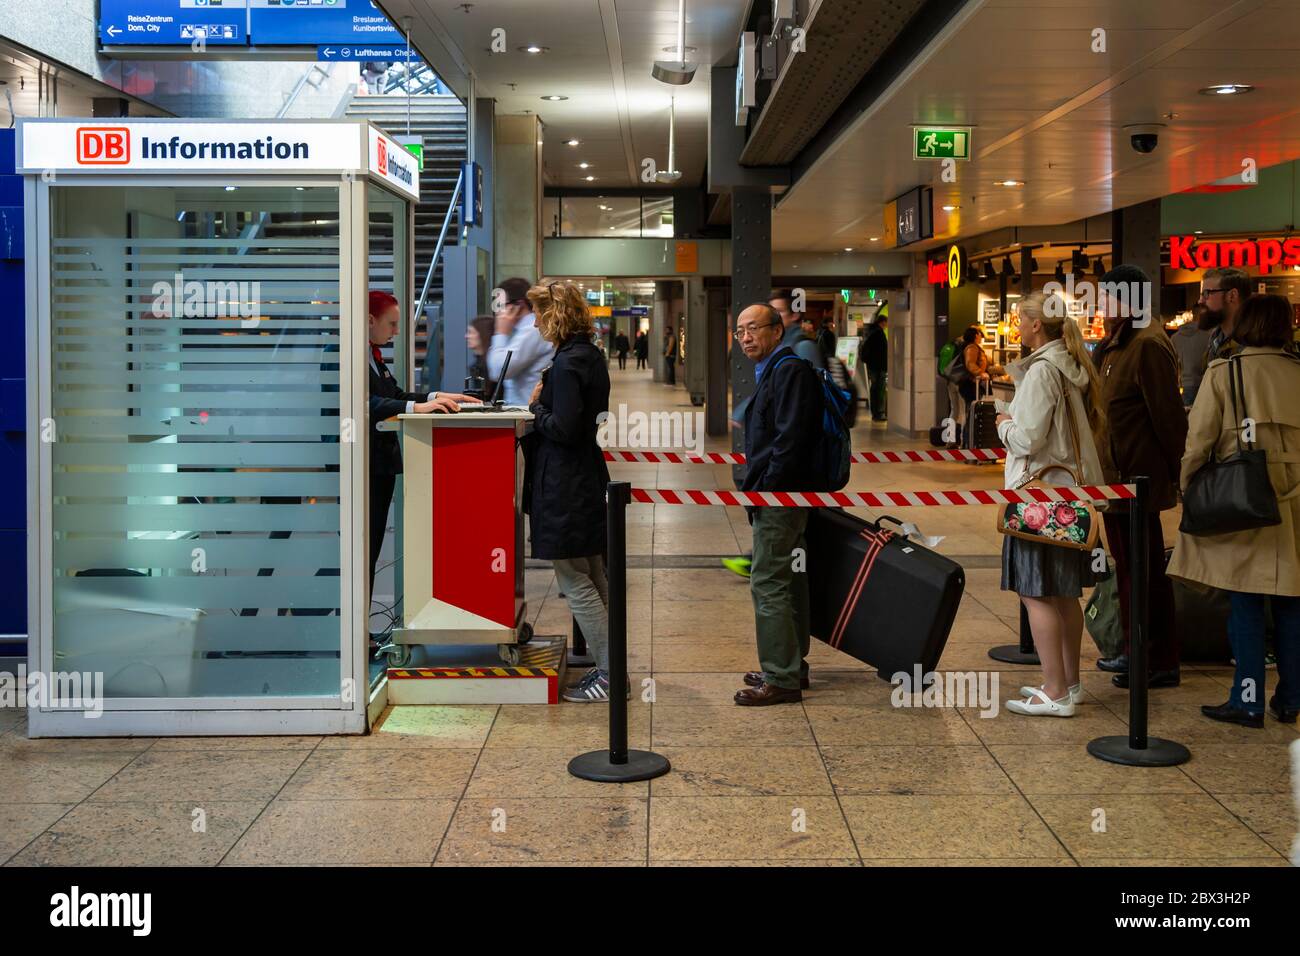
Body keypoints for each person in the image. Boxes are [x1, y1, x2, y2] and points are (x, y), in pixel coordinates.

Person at [1168, 294, 1300, 727]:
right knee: (1291, 601)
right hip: (1296, 503)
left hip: (1245, 495)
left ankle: (1247, 698)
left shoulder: (1227, 371)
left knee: (1244, 599)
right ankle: (1291, 697)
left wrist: (1189, 485)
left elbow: (1199, 440)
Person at [995, 292, 1106, 717]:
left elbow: (1028, 439)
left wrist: (1004, 423)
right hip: (1069, 500)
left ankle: (1054, 690)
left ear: (1037, 325)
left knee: (1035, 592)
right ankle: (1068, 683)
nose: (1016, 327)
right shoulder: (1069, 366)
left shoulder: (1042, 371)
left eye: (1019, 320)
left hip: (1039, 501)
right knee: (1064, 595)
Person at [1091, 264, 1188, 688]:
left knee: (1143, 573)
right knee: (1129, 570)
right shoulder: (1116, 345)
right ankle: (1134, 650)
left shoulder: (1148, 345)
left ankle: (1154, 658)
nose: (1100, 308)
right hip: (1115, 481)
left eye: (1106, 299)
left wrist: (1175, 472)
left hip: (1138, 481)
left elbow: (1167, 417)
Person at [521, 282, 617, 703]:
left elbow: (563, 427)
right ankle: (614, 666)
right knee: (594, 574)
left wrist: (536, 407)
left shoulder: (565, 365)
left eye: (539, 315)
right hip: (586, 476)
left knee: (576, 580)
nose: (535, 322)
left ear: (554, 316)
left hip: (564, 483)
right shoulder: (589, 355)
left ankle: (612, 675)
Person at [732, 304, 824, 706]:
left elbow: (790, 441)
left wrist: (768, 490)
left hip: (780, 498)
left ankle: (781, 676)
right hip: (783, 495)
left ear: (775, 331)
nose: (746, 337)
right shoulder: (775, 370)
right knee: (789, 578)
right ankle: (791, 665)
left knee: (767, 580)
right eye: (739, 332)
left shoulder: (789, 371)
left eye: (753, 329)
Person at [366, 292, 471, 619]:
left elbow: (392, 395)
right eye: (392, 323)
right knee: (358, 554)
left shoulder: (372, 356)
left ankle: (356, 630)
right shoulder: (341, 355)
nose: (396, 331)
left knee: (368, 552)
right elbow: (364, 403)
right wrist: (415, 407)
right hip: (362, 469)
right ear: (369, 320)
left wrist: (434, 396)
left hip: (379, 468)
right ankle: (341, 631)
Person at [488, 276, 553, 406]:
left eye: (501, 305)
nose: (498, 312)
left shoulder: (532, 331)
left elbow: (498, 371)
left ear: (518, 305)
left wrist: (500, 332)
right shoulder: (519, 331)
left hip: (528, 412)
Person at [1198, 266, 1251, 371]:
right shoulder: (1215, 340)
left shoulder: (1253, 345)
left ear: (1232, 296)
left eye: (1206, 293)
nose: (1200, 301)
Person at [771, 291, 824, 370]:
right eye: (771, 312)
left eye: (779, 311)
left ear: (795, 315)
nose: (772, 316)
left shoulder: (804, 347)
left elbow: (812, 380)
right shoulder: (781, 343)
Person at [1171, 306, 1212, 407]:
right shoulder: (1208, 336)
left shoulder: (1174, 338)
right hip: (1205, 384)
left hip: (1183, 385)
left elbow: (1173, 364)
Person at [863, 315, 889, 422]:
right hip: (879, 367)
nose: (887, 325)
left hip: (872, 366)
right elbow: (882, 352)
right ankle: (879, 413)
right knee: (880, 390)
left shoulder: (871, 332)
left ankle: (875, 413)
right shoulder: (879, 333)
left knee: (874, 389)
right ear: (882, 322)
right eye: (886, 323)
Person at [465, 314, 496, 399]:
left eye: (471, 332)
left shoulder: (491, 365)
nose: (466, 336)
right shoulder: (478, 364)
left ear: (483, 333)